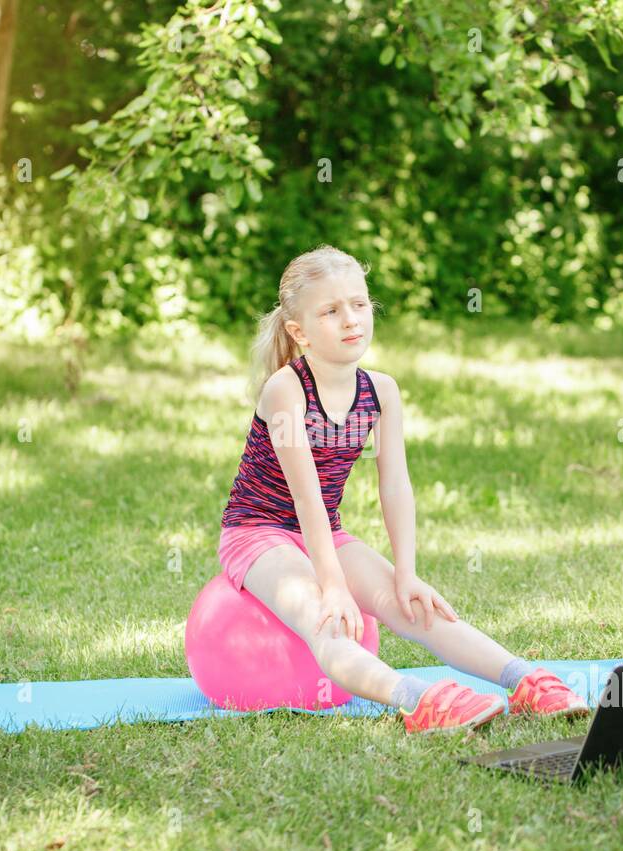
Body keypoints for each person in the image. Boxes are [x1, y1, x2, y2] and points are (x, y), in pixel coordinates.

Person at [217, 244, 589, 734]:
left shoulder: (381, 391)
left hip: (325, 531)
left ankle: (524, 679)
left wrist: (407, 573)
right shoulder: (286, 389)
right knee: (325, 621)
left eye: (359, 304)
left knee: (412, 605)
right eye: (330, 311)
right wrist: (332, 586)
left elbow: (395, 486)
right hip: (259, 532)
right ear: (298, 331)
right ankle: (417, 699)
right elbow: (305, 495)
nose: (351, 319)